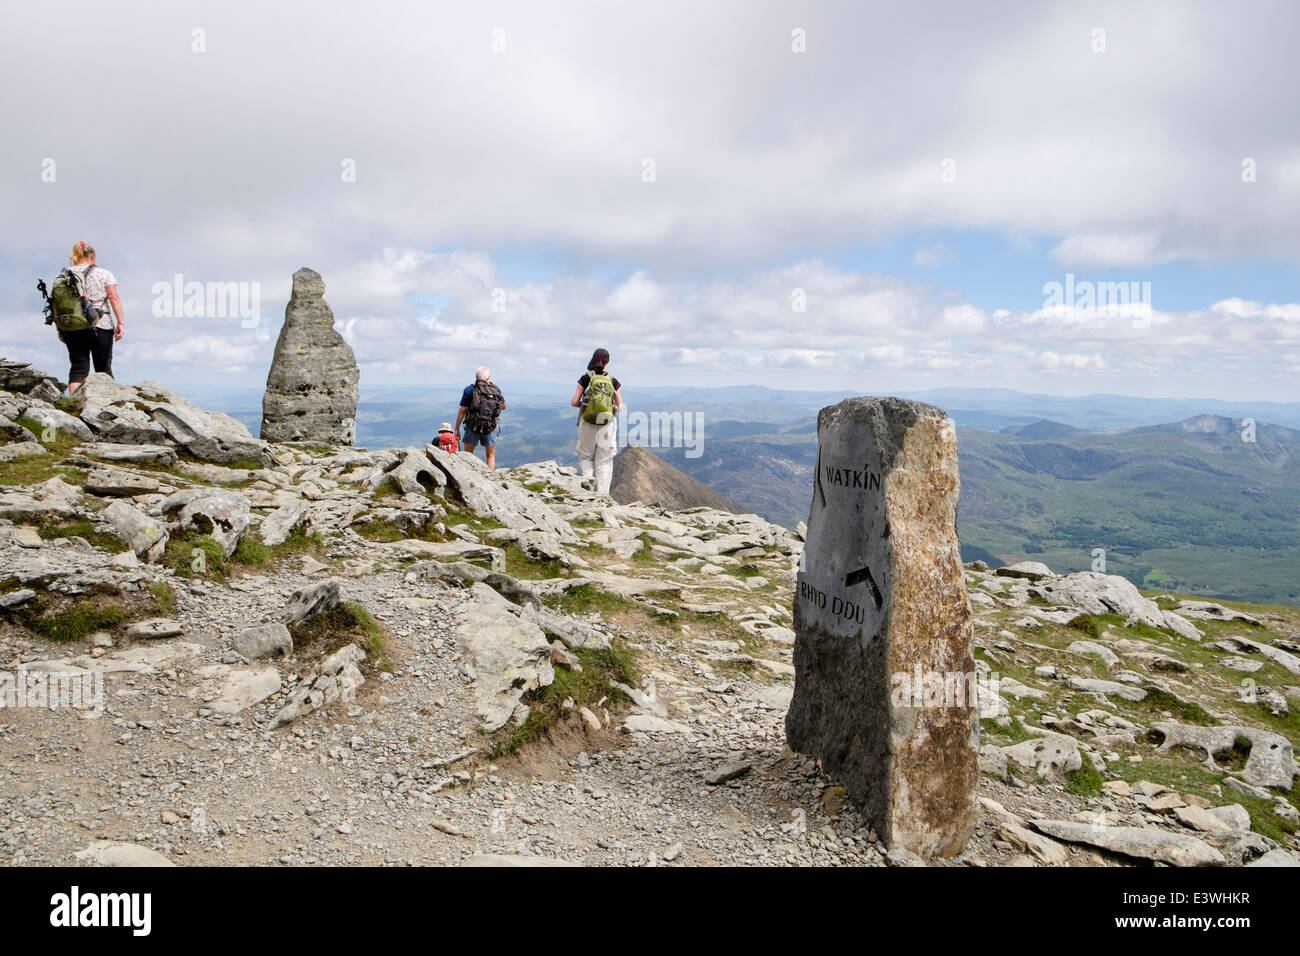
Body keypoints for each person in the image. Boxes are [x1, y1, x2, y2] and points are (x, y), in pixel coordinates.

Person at [60, 241, 124, 393]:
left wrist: (61, 329)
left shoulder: (64, 275)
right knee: (103, 369)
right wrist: (120, 323)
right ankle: (107, 404)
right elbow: (113, 297)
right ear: (92, 255)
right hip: (101, 324)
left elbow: (60, 304)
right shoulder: (104, 274)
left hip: (73, 326)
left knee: (78, 368)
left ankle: (75, 405)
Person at [570, 347, 623, 495]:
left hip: (587, 422)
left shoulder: (585, 378)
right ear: (607, 362)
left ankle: (588, 491)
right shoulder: (612, 380)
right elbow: (620, 406)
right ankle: (602, 496)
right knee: (604, 460)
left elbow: (574, 402)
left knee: (586, 456)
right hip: (607, 423)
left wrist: (587, 405)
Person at [455, 367, 506, 469]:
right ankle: (491, 478)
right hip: (489, 426)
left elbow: (462, 410)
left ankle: (467, 476)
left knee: (467, 455)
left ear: (476, 377)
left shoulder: (470, 390)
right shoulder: (495, 389)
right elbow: (504, 406)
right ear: (489, 377)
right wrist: (494, 387)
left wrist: (456, 428)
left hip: (472, 425)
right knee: (490, 456)